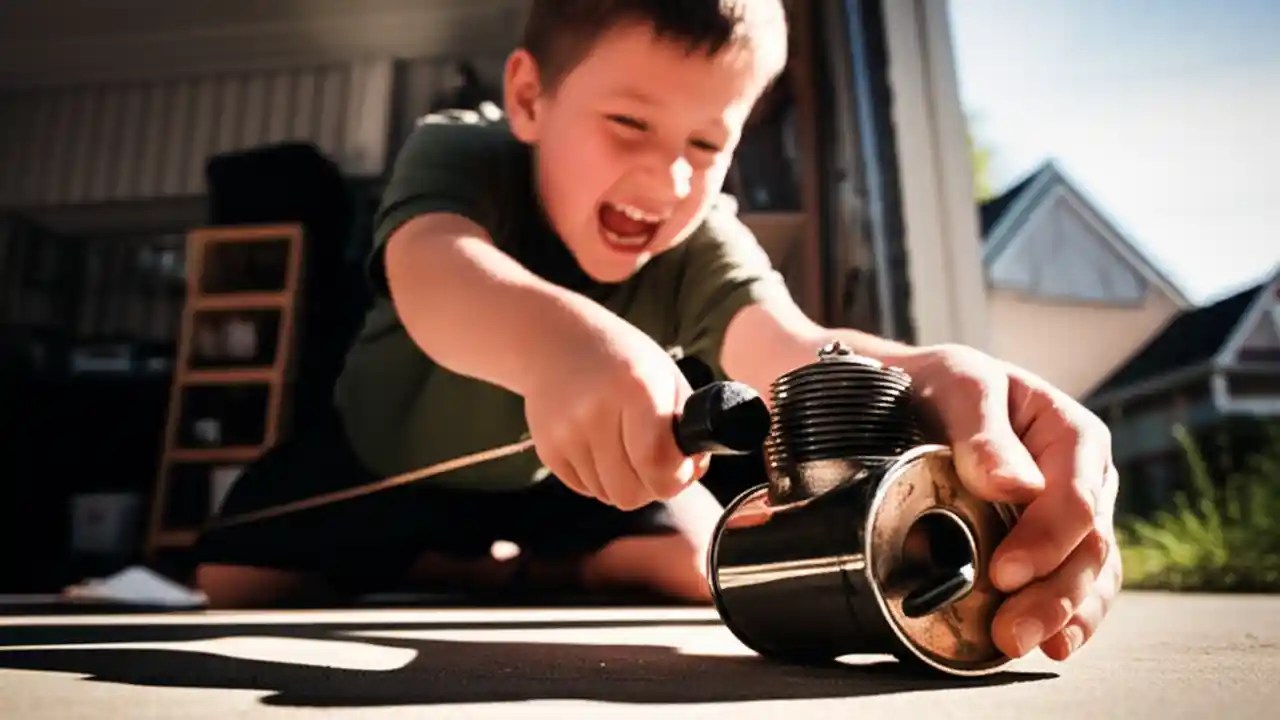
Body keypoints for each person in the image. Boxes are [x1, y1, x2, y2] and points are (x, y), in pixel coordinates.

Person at [194, 0, 1121, 664]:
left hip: (561, 485)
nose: (670, 180)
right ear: (528, 98)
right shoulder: (463, 148)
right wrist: (570, 344)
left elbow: (790, 346)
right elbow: (435, 270)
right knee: (230, 575)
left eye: (705, 145)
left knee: (697, 559)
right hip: (377, 454)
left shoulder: (704, 237)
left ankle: (514, 566)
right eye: (628, 122)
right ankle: (464, 561)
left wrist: (929, 372)